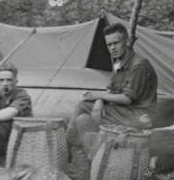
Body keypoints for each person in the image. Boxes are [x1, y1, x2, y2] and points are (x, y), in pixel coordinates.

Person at [68, 24, 159, 154]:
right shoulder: (119, 62)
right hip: (124, 113)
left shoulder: (139, 65)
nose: (112, 48)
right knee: (82, 119)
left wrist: (96, 96)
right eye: (109, 45)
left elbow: (127, 99)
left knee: (83, 105)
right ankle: (91, 155)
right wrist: (99, 100)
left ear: (126, 41)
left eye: (116, 43)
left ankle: (67, 144)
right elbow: (111, 89)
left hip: (139, 116)